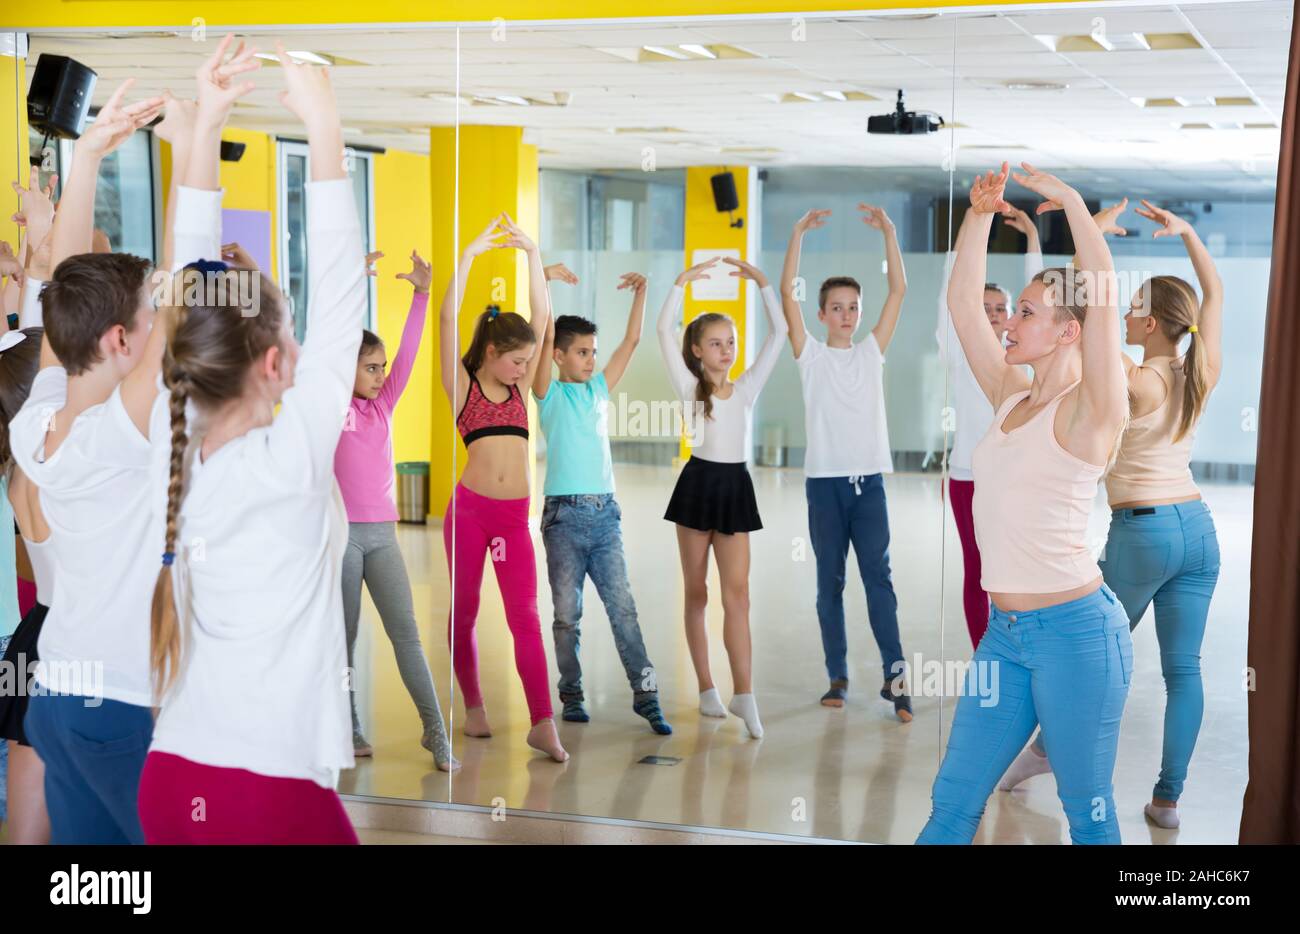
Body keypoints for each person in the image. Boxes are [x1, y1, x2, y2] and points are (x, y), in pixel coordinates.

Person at [917, 162, 1131, 845]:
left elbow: (1100, 291)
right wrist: (977, 216)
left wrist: (1068, 200)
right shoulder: (1011, 393)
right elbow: (960, 307)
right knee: (953, 797)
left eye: (1027, 312)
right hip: (1005, 639)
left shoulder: (1092, 410)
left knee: (1087, 810)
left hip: (1078, 637)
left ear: (1070, 331)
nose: (1008, 321)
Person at [998, 199, 1222, 832]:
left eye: (1134, 308)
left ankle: (1039, 757)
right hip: (1199, 532)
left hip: (1143, 533)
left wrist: (1088, 234)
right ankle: (1168, 799)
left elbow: (1079, 312)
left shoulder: (1140, 379)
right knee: (1186, 670)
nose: (1123, 314)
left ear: (1150, 322)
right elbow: (1215, 292)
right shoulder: (1200, 365)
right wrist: (1187, 236)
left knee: (1081, 653)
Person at [7, 77, 165, 845]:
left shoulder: (39, 424)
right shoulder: (117, 437)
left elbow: (57, 295)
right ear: (120, 343)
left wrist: (92, 155)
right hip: (116, 702)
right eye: (146, 321)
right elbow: (62, 301)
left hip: (58, 697)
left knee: (88, 880)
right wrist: (194, 147)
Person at [439, 213, 567, 762]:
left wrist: (532, 255)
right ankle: (472, 706)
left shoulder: (522, 390)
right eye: (516, 360)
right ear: (491, 354)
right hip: (469, 514)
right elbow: (448, 319)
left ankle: (543, 722)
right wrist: (468, 258)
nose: (524, 369)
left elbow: (543, 315)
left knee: (525, 617)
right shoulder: (464, 387)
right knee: (464, 610)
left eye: (528, 360)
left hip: (513, 518)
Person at [779, 204, 912, 718]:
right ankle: (837, 676)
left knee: (879, 581)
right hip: (824, 486)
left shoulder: (871, 352)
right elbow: (788, 290)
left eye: (853, 306)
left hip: (868, 485)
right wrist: (796, 234)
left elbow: (898, 291)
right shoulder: (809, 355)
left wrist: (890, 232)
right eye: (836, 307)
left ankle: (896, 681)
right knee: (828, 583)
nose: (847, 314)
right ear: (821, 314)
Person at [532, 266, 670, 734]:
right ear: (557, 356)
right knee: (567, 616)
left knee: (623, 608)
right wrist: (543, 284)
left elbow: (630, 342)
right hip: (563, 518)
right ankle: (571, 695)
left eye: (593, 351)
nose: (592, 360)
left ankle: (647, 694)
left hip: (605, 515)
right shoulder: (547, 393)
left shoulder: (598, 389)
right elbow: (543, 329)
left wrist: (643, 292)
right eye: (582, 352)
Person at [335, 248, 457, 770]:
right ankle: (347, 724)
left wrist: (422, 294)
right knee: (343, 639)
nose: (382, 374)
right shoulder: (330, 404)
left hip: (383, 536)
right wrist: (345, 283)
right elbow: (317, 346)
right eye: (369, 367)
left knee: (405, 632)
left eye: (382, 367)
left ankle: (435, 728)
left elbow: (409, 351)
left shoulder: (384, 404)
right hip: (339, 538)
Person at [657, 254, 788, 738]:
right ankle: (707, 687)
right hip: (697, 486)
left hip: (734, 487)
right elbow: (661, 332)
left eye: (731, 342)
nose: (727, 350)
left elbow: (778, 338)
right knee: (697, 592)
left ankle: (746, 694)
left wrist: (763, 286)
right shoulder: (689, 386)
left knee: (739, 596)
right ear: (697, 349)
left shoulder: (747, 388)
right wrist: (679, 282)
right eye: (716, 343)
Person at [937, 207, 1043, 649]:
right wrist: (970, 224)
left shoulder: (1023, 359)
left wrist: (1033, 240)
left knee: (1017, 567)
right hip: (967, 477)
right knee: (978, 569)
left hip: (1017, 477)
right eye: (987, 308)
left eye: (1004, 308)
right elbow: (952, 290)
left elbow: (1044, 305)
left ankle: (1017, 649)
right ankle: (986, 655)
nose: (998, 314)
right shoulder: (958, 349)